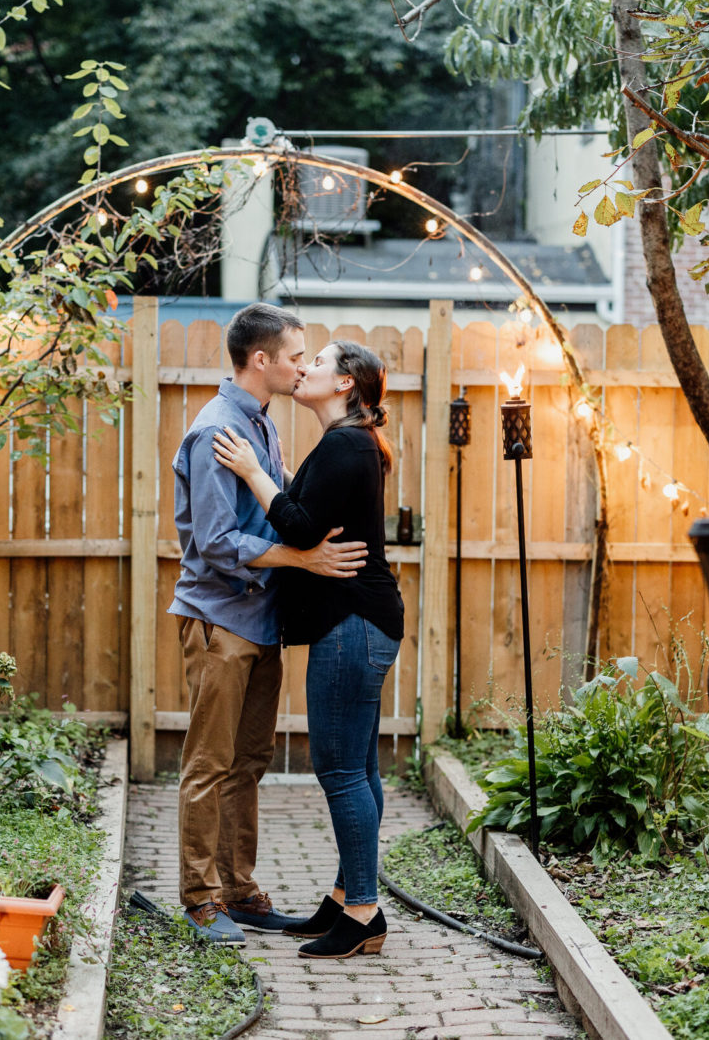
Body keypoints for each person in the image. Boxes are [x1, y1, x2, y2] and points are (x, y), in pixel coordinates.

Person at [168, 303, 370, 944]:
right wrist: (302, 557)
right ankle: (201, 899)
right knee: (209, 763)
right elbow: (214, 541)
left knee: (249, 761)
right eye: (294, 356)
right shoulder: (215, 431)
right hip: (220, 619)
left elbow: (280, 499)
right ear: (261, 360)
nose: (302, 365)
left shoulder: (261, 425)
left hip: (262, 621)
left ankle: (240, 891)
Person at [212, 339, 405, 960]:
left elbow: (295, 526)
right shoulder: (350, 443)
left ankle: (364, 914)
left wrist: (251, 471)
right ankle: (348, 893)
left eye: (318, 362)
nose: (305, 368)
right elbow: (308, 508)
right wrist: (283, 479)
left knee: (341, 770)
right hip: (363, 622)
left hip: (351, 624)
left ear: (346, 383)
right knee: (362, 768)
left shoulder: (348, 443)